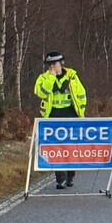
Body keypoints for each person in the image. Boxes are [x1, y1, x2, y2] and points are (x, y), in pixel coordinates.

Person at [34, 51, 87, 190]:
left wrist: (81, 113)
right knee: (56, 147)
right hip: (53, 115)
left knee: (71, 146)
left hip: (70, 114)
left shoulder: (72, 76)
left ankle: (70, 176)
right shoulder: (44, 78)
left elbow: (81, 94)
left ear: (61, 63)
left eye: (54, 64)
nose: (52, 67)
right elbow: (41, 93)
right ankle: (60, 179)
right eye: (50, 64)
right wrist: (51, 78)